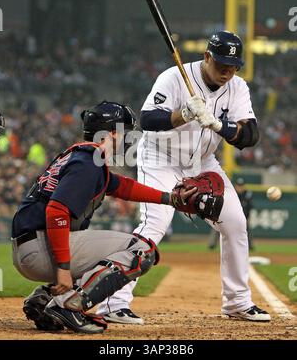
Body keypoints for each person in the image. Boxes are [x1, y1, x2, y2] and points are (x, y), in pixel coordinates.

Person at [97, 31, 271, 323]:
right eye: (222, 65)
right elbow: (148, 120)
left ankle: (238, 303)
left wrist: (218, 125)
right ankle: (113, 303)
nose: (227, 72)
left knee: (236, 224)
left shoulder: (237, 87)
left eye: (233, 66)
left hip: (203, 161)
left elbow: (249, 136)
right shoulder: (173, 77)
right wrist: (183, 114)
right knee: (155, 223)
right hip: (160, 158)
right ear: (207, 57)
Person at [12, 101, 198, 334]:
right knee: (142, 250)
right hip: (40, 248)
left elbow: (124, 187)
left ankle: (43, 299)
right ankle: (68, 306)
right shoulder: (89, 162)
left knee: (105, 257)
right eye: (124, 133)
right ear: (112, 133)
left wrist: (171, 199)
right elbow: (56, 211)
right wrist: (63, 268)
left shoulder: (81, 157)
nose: (126, 139)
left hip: (29, 247)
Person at [208, 177, 254, 250]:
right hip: (229, 216)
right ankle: (212, 244)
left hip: (242, 217)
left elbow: (249, 208)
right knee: (218, 226)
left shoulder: (247, 194)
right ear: (235, 186)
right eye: (238, 185)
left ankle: (250, 246)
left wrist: (246, 218)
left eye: (241, 186)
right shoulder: (231, 193)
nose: (240, 187)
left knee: (246, 229)